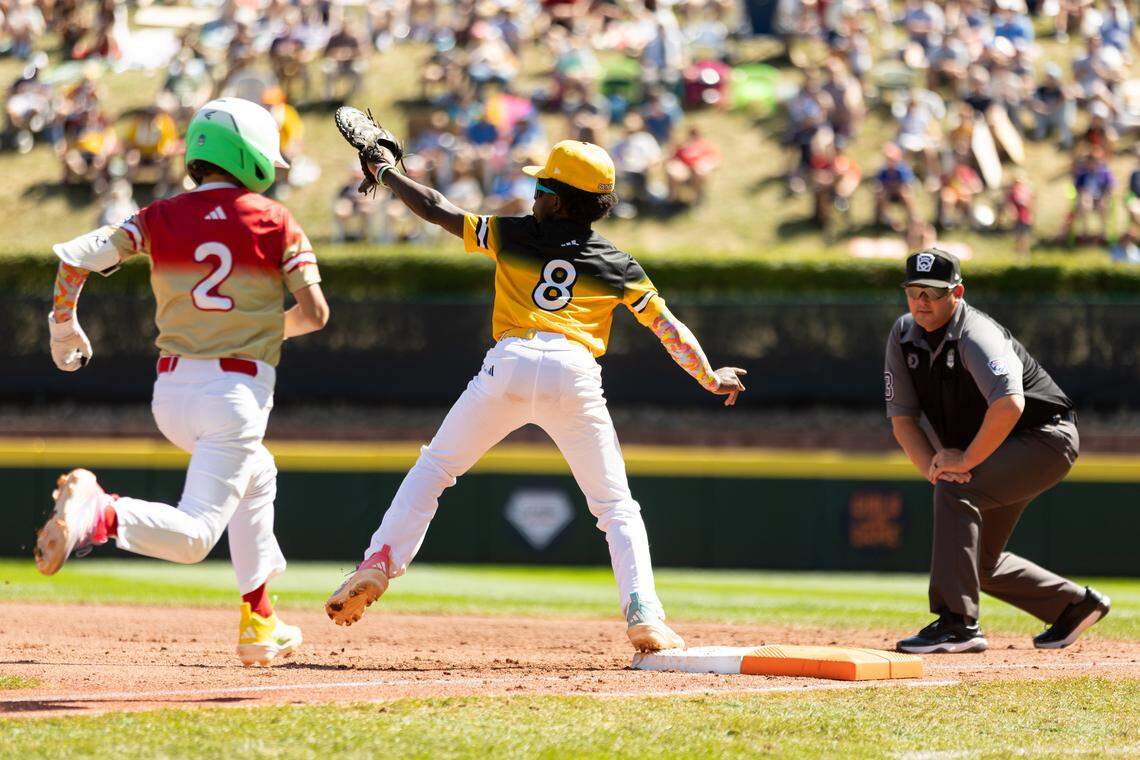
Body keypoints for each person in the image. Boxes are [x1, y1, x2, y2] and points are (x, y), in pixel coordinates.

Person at [324, 136, 746, 652]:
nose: (534, 192)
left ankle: (379, 563)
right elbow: (668, 328)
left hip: (510, 364)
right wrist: (710, 377)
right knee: (615, 507)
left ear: (562, 198)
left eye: (542, 184)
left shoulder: (511, 235)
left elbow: (435, 208)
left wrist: (386, 172)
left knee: (434, 470)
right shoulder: (619, 263)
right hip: (574, 374)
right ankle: (644, 613)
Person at [34, 98, 330, 667]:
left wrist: (62, 321)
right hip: (235, 396)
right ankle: (101, 513)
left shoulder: (157, 215)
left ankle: (260, 617)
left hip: (170, 395)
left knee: (257, 474)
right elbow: (315, 313)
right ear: (251, 156)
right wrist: (259, 334)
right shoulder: (272, 219)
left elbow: (76, 258)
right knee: (196, 537)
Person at [884, 248, 1110, 654]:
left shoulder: (976, 333)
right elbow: (903, 419)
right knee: (976, 563)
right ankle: (1072, 605)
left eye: (933, 292)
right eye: (914, 291)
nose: (922, 301)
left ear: (957, 293)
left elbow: (1010, 404)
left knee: (956, 492)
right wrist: (934, 469)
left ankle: (957, 624)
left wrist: (964, 464)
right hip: (1003, 445)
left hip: (1045, 439)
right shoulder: (903, 336)